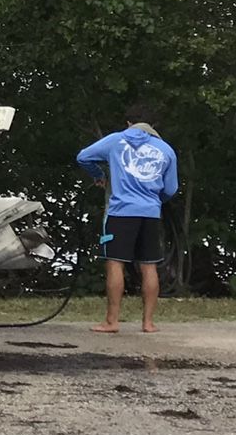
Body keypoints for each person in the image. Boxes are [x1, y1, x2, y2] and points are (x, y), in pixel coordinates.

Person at [76, 105, 179, 333]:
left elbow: (83, 157)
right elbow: (171, 188)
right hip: (150, 213)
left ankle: (112, 321)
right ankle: (148, 323)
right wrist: (154, 199)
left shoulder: (116, 141)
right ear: (153, 126)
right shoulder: (165, 149)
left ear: (128, 123)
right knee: (149, 266)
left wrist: (98, 176)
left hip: (120, 212)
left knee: (115, 263)